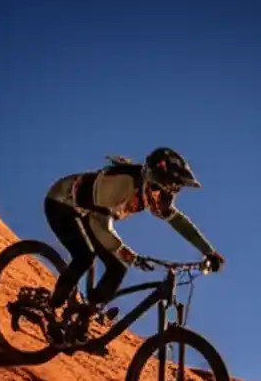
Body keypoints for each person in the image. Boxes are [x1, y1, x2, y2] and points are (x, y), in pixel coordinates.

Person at [42, 147, 224, 346]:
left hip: (89, 214)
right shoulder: (123, 184)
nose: (164, 197)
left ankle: (83, 320)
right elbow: (98, 223)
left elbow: (179, 223)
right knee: (85, 256)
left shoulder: (152, 194)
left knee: (118, 267)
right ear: (152, 181)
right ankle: (49, 306)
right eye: (164, 189)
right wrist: (125, 251)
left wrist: (208, 250)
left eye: (172, 191)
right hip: (62, 204)